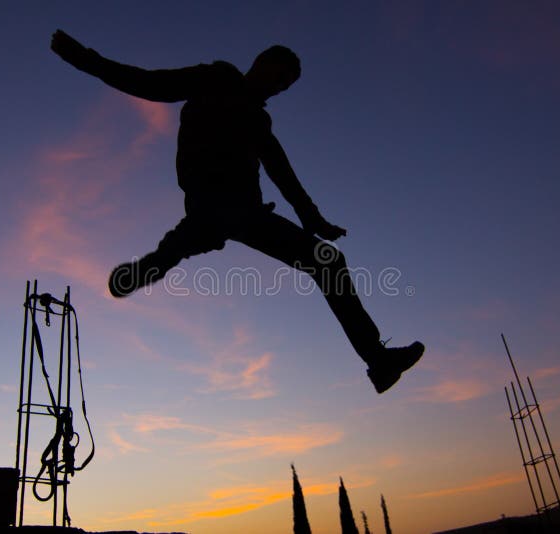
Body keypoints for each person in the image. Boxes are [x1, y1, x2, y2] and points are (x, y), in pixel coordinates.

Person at [50, 30, 424, 393]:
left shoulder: (260, 120)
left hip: (243, 212)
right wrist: (86, 59)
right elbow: (151, 84)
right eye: (280, 77)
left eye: (286, 86)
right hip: (216, 204)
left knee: (324, 261)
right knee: (213, 233)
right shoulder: (215, 78)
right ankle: (155, 262)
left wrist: (313, 219)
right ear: (261, 63)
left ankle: (378, 360)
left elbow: (280, 168)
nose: (279, 88)